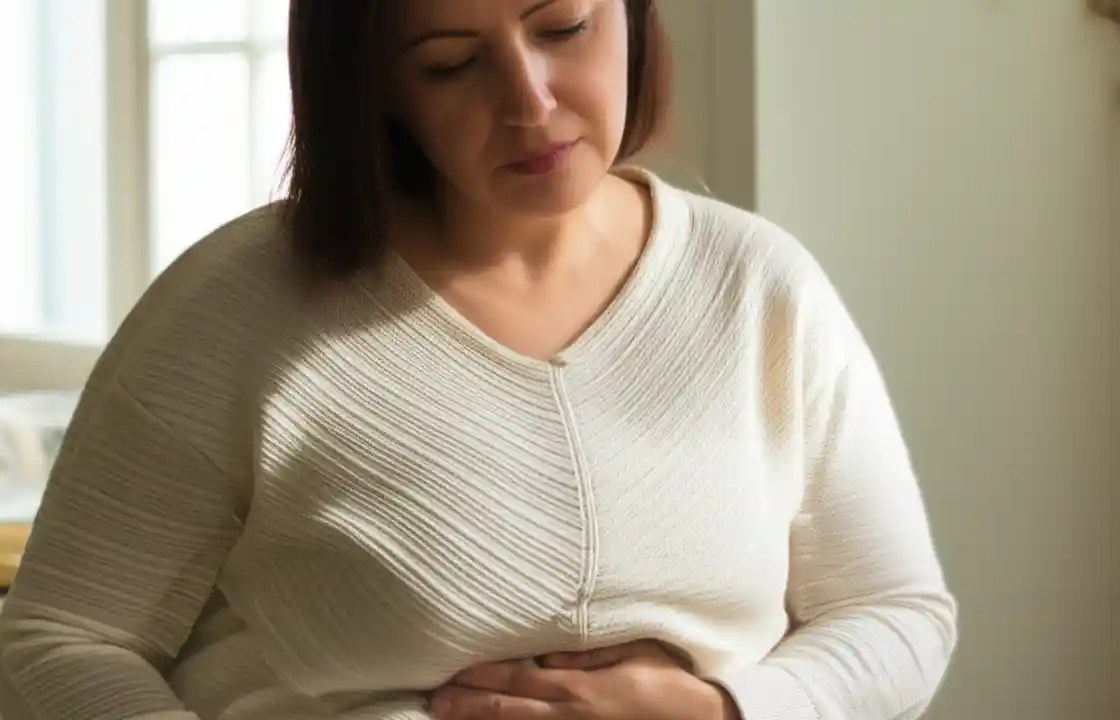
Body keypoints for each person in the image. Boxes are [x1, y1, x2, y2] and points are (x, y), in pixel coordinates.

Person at [0, 0, 958, 718]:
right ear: (376, 89)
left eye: (566, 26)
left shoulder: (758, 286)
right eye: (453, 64)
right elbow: (61, 638)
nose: (530, 103)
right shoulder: (240, 308)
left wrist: (727, 710)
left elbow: (898, 615)